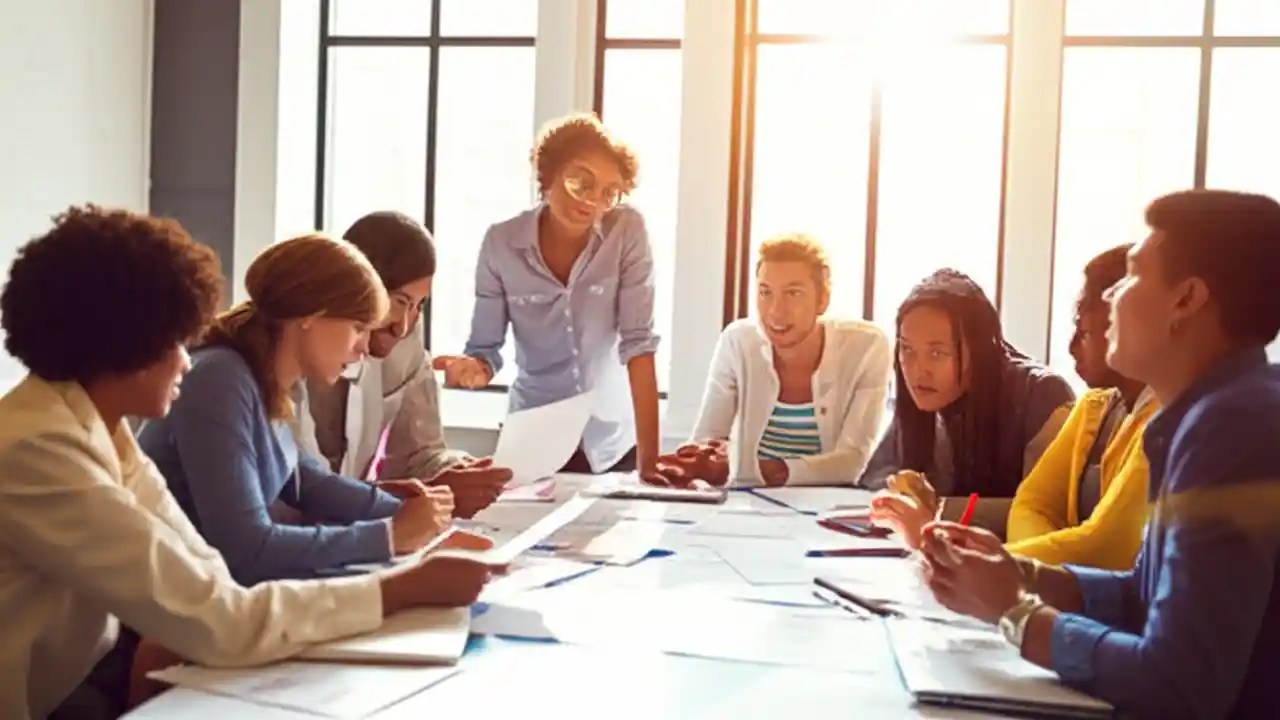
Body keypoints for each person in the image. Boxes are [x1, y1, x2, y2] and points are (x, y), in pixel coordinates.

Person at [0, 206, 492, 720]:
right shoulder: (43, 450)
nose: (187, 361)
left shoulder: (101, 429)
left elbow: (211, 575)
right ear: (123, 344)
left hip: (84, 672)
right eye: (173, 341)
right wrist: (398, 587)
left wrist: (399, 537)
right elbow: (225, 614)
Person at [918, 189, 1280, 719]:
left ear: (1187, 299)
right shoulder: (1211, 414)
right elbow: (1143, 594)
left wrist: (1015, 614)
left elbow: (1179, 687)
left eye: (1131, 276)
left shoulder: (1232, 429)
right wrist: (1021, 575)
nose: (1110, 298)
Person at [138, 234, 454, 585]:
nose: (364, 347)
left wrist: (414, 512)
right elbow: (247, 550)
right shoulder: (220, 379)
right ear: (310, 316)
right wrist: (390, 535)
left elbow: (308, 483)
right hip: (164, 621)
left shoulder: (262, 379)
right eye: (358, 327)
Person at [435, 113, 664, 483]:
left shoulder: (627, 230)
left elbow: (638, 343)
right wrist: (474, 370)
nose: (593, 201)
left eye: (609, 192)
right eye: (581, 182)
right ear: (549, 174)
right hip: (534, 440)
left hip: (611, 441)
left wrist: (651, 461)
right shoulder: (501, 244)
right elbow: (485, 348)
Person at [296, 211, 512, 518]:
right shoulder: (292, 358)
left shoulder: (406, 338)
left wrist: (463, 473)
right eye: (398, 302)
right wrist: (412, 498)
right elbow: (304, 492)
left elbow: (420, 456)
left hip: (350, 534)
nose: (403, 325)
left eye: (418, 305)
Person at [654, 233, 891, 487]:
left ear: (822, 300)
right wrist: (699, 458)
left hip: (824, 506)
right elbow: (707, 438)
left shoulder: (867, 346)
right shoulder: (738, 341)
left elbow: (852, 462)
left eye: (793, 294)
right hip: (748, 502)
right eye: (765, 293)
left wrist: (749, 470)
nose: (775, 311)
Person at [861, 269, 1075, 540]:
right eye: (907, 349)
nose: (918, 369)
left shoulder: (1041, 395)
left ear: (979, 350)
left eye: (937, 353)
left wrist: (940, 511)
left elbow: (1049, 512)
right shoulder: (924, 394)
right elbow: (879, 478)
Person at [1003, 244, 1158, 569]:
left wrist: (1008, 567)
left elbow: (1106, 547)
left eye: (1085, 333)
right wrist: (1043, 562)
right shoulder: (1095, 406)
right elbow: (1031, 503)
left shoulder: (1167, 417)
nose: (1071, 347)